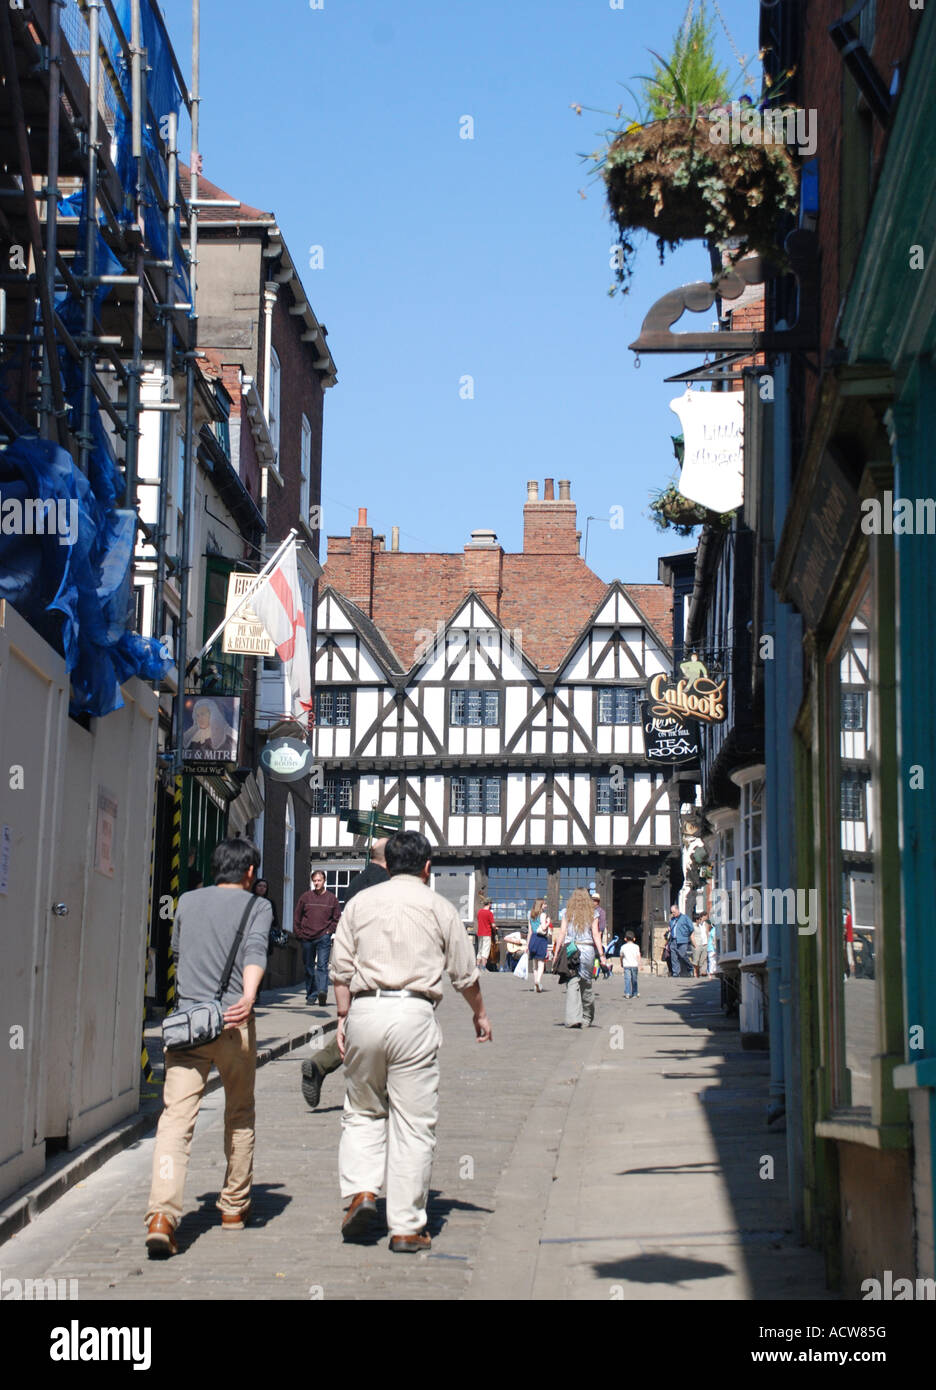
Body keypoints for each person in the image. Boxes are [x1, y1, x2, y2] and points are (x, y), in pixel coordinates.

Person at [331, 830, 492, 1252]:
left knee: (363, 1109)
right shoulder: (439, 907)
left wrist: (343, 1017)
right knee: (413, 1123)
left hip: (365, 1008)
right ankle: (404, 1226)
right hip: (414, 1011)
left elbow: (341, 968)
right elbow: (464, 973)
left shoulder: (360, 904)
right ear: (426, 867)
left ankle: (364, 1192)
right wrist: (479, 1014)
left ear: (387, 864)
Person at [144, 838, 271, 1257]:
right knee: (239, 1113)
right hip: (234, 1024)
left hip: (188, 1027)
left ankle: (162, 1215)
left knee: (176, 1121)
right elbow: (254, 952)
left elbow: (180, 954)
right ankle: (234, 1207)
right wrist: (247, 997)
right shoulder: (258, 906)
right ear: (249, 871)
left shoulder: (188, 903)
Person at [299, 841, 390, 1110]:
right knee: (384, 1029)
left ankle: (320, 1065)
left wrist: (340, 1008)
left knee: (358, 1024)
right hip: (383, 966)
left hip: (355, 965)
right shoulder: (392, 886)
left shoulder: (354, 885)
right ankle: (377, 1091)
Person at [552, 888, 607, 1028]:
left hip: (571, 949)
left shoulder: (566, 913)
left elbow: (562, 933)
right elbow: (596, 935)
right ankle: (587, 1016)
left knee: (572, 982)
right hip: (587, 949)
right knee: (586, 983)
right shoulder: (593, 913)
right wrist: (602, 955)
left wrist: (556, 952)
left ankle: (572, 1018)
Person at [294, 869, 341, 1006]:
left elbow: (337, 918)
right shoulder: (305, 897)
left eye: (319, 880)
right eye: (314, 881)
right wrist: (299, 933)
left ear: (324, 881)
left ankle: (322, 992)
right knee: (309, 967)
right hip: (307, 937)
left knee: (322, 966)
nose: (316, 883)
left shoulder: (331, 899)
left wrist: (329, 932)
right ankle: (311, 994)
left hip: (323, 937)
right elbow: (297, 916)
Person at [526, 897, 551, 993]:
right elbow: (544, 927)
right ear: (541, 905)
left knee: (534, 964)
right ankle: (538, 981)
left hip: (533, 938)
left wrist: (527, 945)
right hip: (541, 939)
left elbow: (529, 931)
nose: (546, 905)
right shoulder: (543, 915)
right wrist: (548, 922)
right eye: (544, 904)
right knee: (541, 963)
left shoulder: (531, 915)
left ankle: (534, 984)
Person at [668, 903, 694, 978]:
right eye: (672, 912)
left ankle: (690, 967)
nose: (673, 913)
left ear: (677, 910)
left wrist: (685, 934)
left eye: (674, 912)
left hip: (682, 940)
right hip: (673, 940)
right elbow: (670, 927)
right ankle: (676, 972)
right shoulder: (672, 920)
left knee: (682, 955)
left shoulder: (685, 918)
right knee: (674, 957)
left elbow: (691, 928)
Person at [475, 896, 495, 970]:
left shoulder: (479, 912)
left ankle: (477, 966)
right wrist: (495, 927)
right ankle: (483, 966)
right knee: (485, 950)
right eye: (491, 903)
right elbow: (493, 925)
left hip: (480, 933)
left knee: (479, 949)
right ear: (489, 904)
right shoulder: (489, 913)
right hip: (487, 933)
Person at [621, 931, 640, 999]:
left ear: (625, 939)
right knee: (634, 979)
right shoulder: (636, 947)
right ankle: (635, 993)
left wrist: (621, 963)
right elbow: (638, 956)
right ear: (634, 939)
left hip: (626, 965)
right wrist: (640, 964)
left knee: (627, 979)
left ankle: (627, 993)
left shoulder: (623, 947)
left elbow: (621, 956)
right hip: (634, 965)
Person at [691, 912, 709, 977]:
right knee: (696, 960)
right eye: (699, 919)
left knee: (702, 959)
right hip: (697, 944)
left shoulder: (703, 925)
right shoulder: (694, 926)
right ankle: (695, 973)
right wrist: (695, 945)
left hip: (703, 943)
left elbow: (707, 933)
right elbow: (692, 936)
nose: (700, 920)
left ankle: (700, 972)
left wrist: (708, 941)